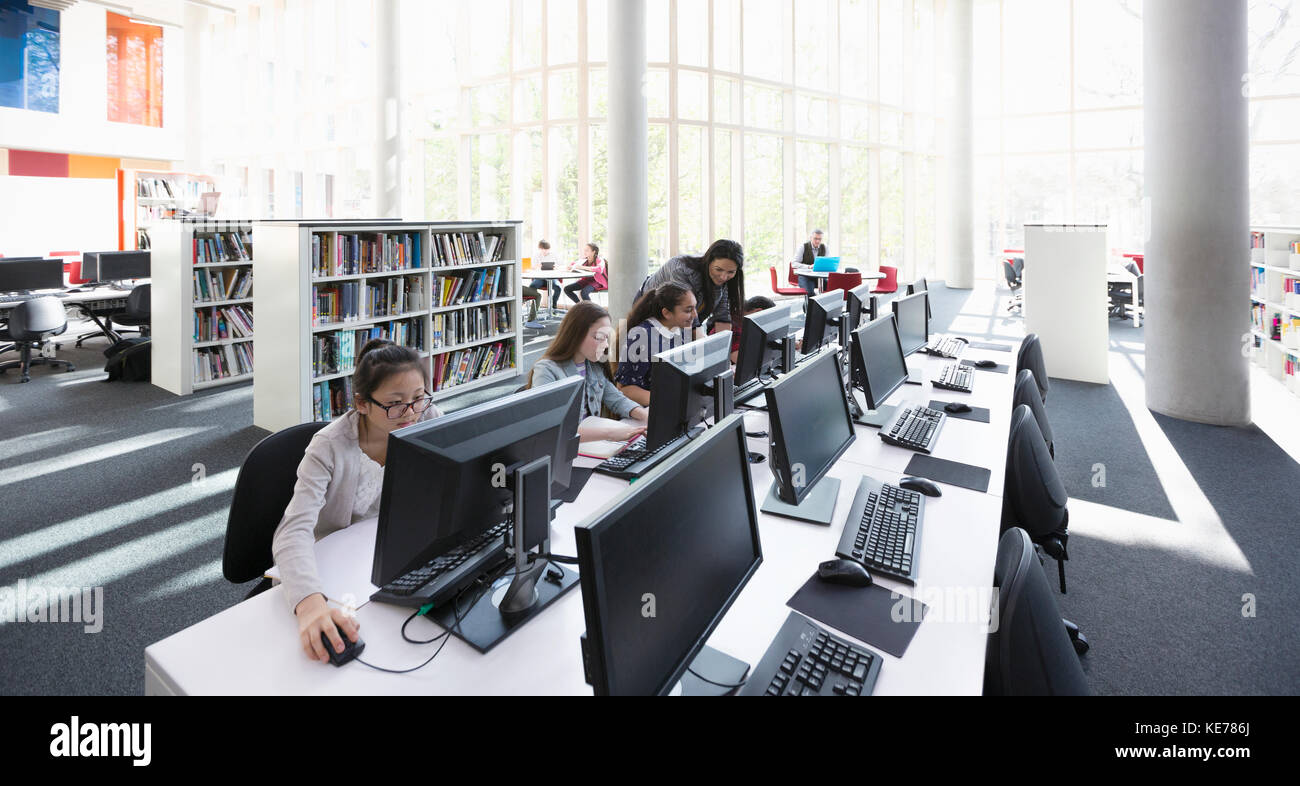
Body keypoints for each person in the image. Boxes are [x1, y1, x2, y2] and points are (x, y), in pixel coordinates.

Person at [272, 339, 441, 663]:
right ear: (362, 403)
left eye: (418, 398)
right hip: (332, 562)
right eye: (395, 403)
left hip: (388, 552)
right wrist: (309, 604)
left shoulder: (426, 416)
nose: (410, 413)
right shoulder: (329, 447)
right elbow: (291, 531)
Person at [528, 301, 649, 442]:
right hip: (566, 450)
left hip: (590, 445)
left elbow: (617, 400)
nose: (605, 345)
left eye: (606, 338)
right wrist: (609, 433)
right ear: (576, 335)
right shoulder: (546, 370)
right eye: (599, 338)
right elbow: (548, 428)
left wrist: (645, 417)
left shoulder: (594, 367)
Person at [613, 283, 697, 407]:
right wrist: (670, 402)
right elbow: (625, 389)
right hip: (648, 411)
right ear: (667, 313)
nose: (695, 315)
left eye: (695, 308)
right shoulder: (642, 336)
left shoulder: (682, 329)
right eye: (688, 310)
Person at [639, 238, 745, 336]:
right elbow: (687, 313)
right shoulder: (681, 269)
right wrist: (704, 348)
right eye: (718, 269)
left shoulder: (723, 281)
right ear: (708, 261)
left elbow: (722, 318)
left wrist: (723, 349)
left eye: (731, 272)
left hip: (683, 320)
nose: (723, 277)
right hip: (652, 310)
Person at [730, 295, 776, 364]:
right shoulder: (735, 327)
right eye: (767, 322)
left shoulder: (742, 324)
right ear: (758, 312)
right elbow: (740, 359)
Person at [526, 240, 563, 309]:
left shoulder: (554, 255)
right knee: (532, 286)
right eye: (543, 249)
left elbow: (561, 266)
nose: (545, 251)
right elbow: (532, 267)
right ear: (540, 248)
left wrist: (556, 267)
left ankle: (553, 305)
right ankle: (535, 307)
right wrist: (537, 266)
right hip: (540, 278)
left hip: (552, 277)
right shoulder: (536, 255)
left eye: (547, 249)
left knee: (558, 288)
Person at [792, 229, 829, 295]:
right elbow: (794, 264)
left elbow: (827, 263)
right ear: (811, 238)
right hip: (805, 277)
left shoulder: (825, 248)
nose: (818, 241)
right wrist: (808, 267)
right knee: (810, 293)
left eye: (820, 239)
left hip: (819, 277)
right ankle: (809, 305)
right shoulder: (803, 247)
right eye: (815, 238)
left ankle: (822, 304)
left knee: (832, 289)